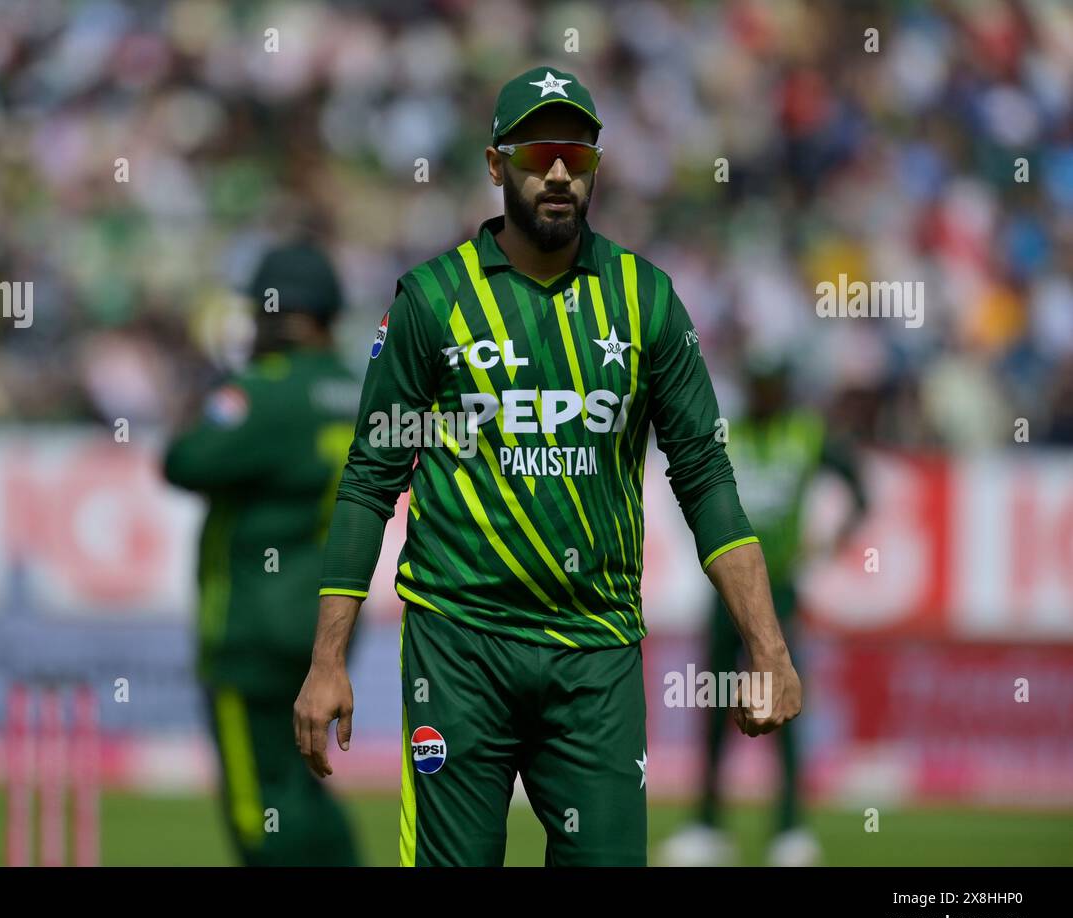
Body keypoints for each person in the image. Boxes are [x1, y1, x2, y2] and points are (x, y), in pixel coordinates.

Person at [293, 65, 801, 866]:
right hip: (459, 646)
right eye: (537, 154)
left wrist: (766, 646)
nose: (559, 172)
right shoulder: (431, 300)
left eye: (577, 153)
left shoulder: (647, 300)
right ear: (497, 166)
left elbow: (704, 475)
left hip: (594, 653)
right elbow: (368, 480)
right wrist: (327, 662)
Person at [163, 240, 361, 866]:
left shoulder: (264, 392)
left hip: (251, 629)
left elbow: (183, 461)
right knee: (305, 783)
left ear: (286, 316)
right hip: (328, 630)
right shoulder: (360, 392)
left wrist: (220, 384)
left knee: (259, 811)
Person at [661, 358, 867, 866]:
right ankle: (708, 826)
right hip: (727, 586)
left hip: (781, 587)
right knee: (713, 707)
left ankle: (790, 829)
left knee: (787, 707)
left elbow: (860, 490)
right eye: (757, 384)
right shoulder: (727, 430)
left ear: (784, 387)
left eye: (771, 384)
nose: (763, 393)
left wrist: (832, 539)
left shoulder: (806, 432)